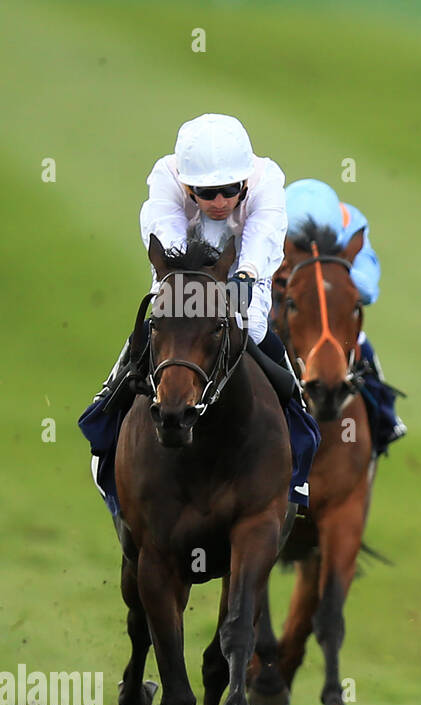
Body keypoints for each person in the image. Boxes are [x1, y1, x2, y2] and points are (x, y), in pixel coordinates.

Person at [80, 113, 318, 513]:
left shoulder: (268, 180)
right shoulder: (164, 177)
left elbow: (263, 234)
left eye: (230, 190)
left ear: (245, 181)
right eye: (207, 193)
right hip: (181, 269)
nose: (220, 202)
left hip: (247, 269)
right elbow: (165, 232)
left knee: (255, 326)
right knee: (164, 323)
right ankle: (110, 407)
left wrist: (244, 274)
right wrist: (186, 285)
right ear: (187, 184)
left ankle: (296, 418)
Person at [281, 178, 406, 456]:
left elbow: (369, 291)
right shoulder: (268, 223)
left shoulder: (350, 225)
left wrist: (333, 275)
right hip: (287, 308)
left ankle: (385, 418)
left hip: (332, 306)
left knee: (360, 342)